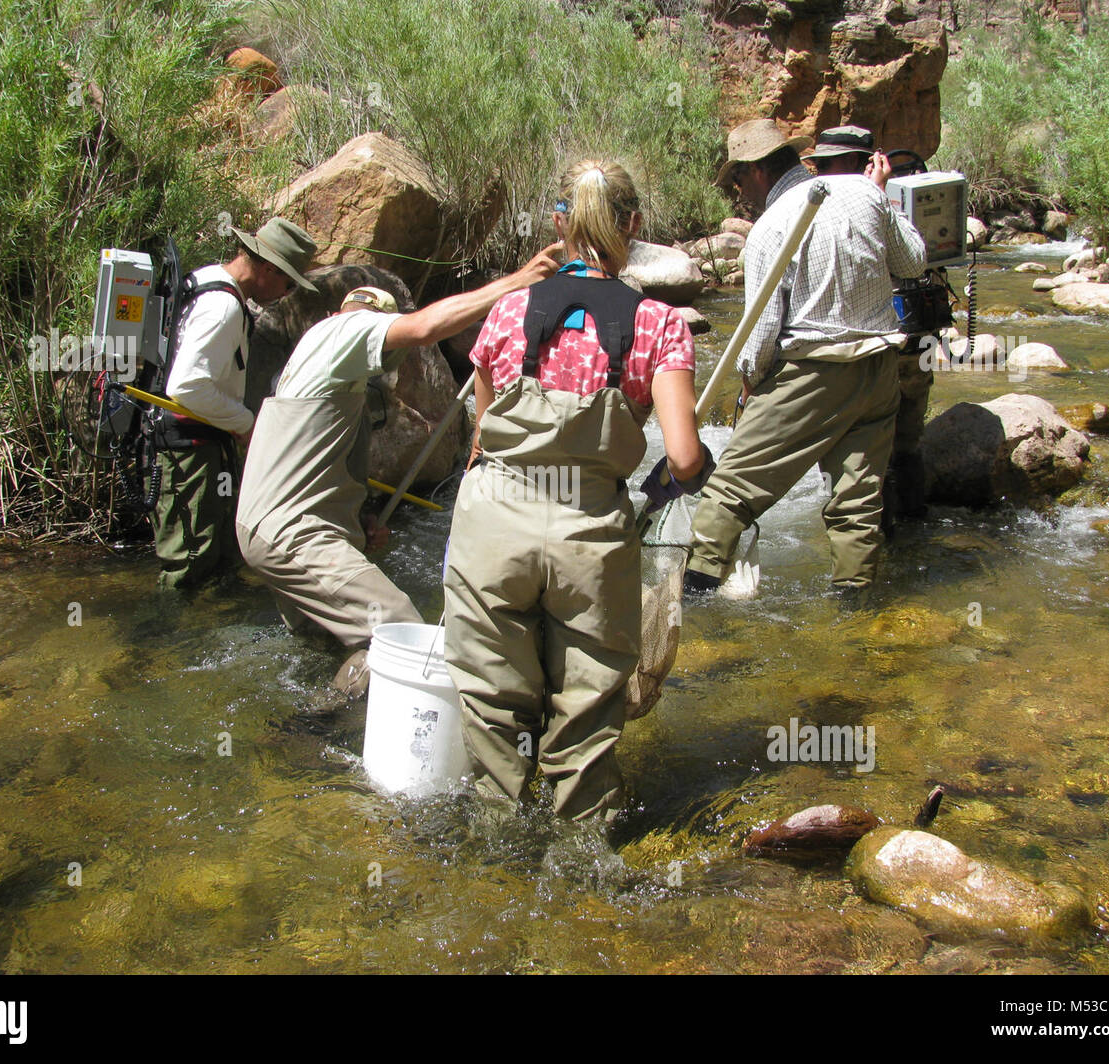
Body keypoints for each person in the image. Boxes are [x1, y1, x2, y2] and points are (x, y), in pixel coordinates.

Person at [442, 159, 712, 823]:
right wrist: (667, 486)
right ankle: (582, 862)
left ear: (559, 223)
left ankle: (497, 843)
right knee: (587, 711)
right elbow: (683, 458)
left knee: (494, 700)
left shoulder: (507, 311)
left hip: (494, 521)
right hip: (590, 530)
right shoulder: (659, 324)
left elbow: (478, 439)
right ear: (634, 226)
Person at [236, 253, 563, 692]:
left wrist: (358, 521)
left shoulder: (322, 365)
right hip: (291, 533)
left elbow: (315, 467)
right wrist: (518, 282)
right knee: (397, 630)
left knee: (325, 643)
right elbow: (426, 327)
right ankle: (326, 729)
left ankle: (308, 729)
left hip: (277, 528)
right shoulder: (345, 332)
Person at [683, 119, 927, 596]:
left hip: (812, 372)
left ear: (755, 172)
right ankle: (856, 614)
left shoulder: (772, 226)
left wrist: (750, 382)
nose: (740, 196)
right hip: (878, 369)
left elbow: (760, 330)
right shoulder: (869, 196)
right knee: (857, 504)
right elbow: (915, 262)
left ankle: (693, 603)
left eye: (737, 181)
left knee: (729, 492)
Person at [154, 218, 320, 590]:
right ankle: (161, 644)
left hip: (200, 446)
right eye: (288, 281)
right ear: (267, 268)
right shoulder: (223, 308)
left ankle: (204, 637)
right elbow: (187, 386)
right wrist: (247, 424)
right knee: (190, 563)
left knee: (215, 556)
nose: (287, 292)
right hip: (190, 452)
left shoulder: (209, 281)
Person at [806, 125, 934, 529]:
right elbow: (914, 263)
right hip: (886, 348)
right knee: (901, 443)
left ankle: (882, 528)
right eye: (822, 166)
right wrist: (880, 197)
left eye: (829, 165)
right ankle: (900, 532)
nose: (825, 174)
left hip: (839, 357)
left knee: (857, 454)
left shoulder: (804, 205)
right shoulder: (873, 202)